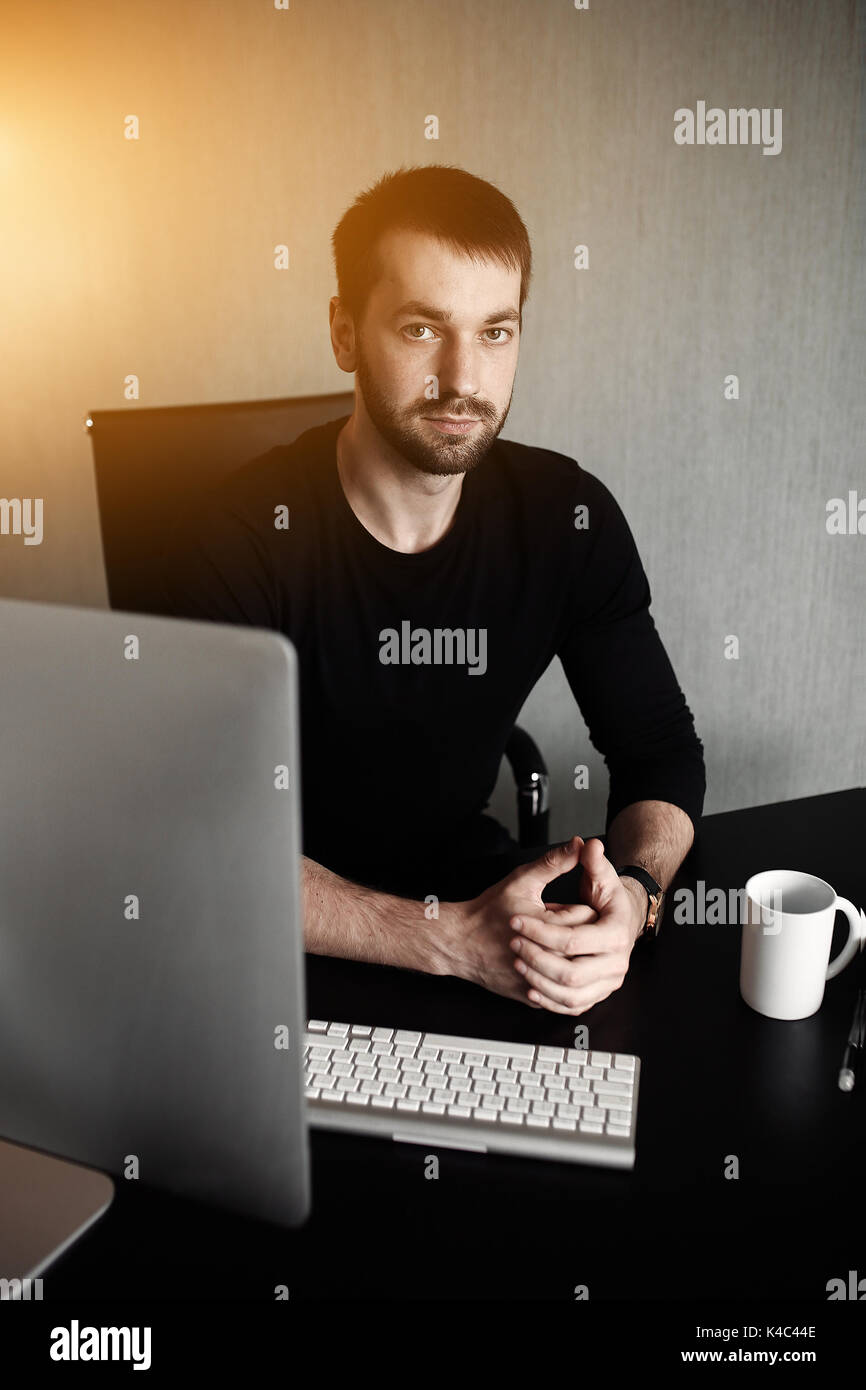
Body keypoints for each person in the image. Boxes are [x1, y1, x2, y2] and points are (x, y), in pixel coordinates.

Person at [162, 164, 706, 1016]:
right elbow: (204, 835)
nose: (463, 379)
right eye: (422, 329)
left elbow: (661, 753)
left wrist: (634, 900)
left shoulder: (568, 518)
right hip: (270, 938)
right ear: (344, 334)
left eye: (496, 332)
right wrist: (450, 939)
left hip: (476, 903)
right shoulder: (236, 537)